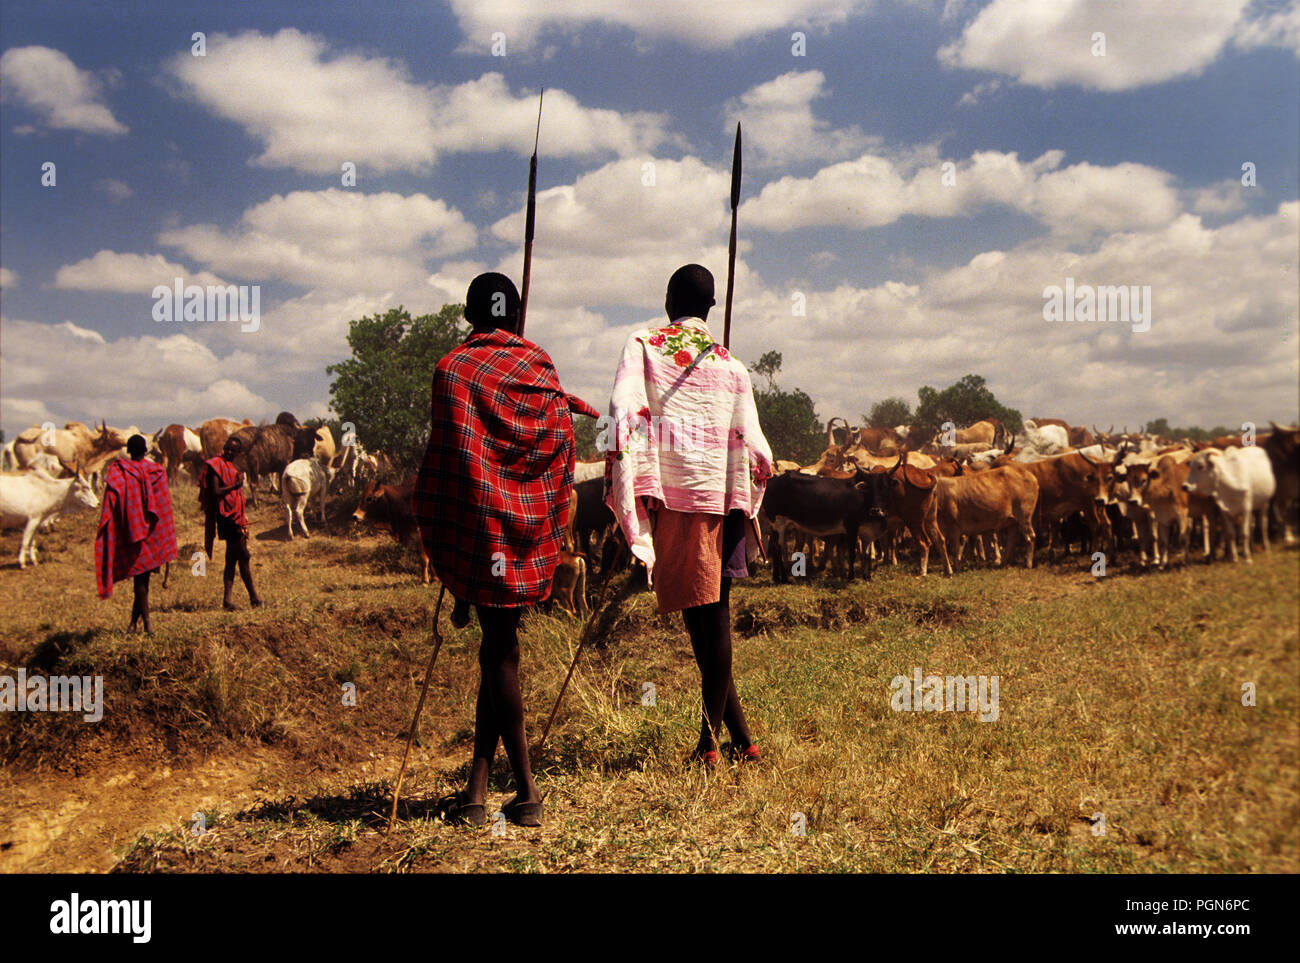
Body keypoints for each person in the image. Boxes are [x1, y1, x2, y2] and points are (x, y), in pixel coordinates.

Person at [413, 272, 580, 827]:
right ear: (513, 316)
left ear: (470, 315)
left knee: (499, 650)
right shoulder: (540, 364)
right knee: (497, 647)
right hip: (528, 529)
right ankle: (477, 792)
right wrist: (544, 511)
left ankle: (528, 794)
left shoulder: (451, 370)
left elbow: (444, 463)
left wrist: (449, 540)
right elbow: (560, 446)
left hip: (481, 530)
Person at [604, 264, 773, 765]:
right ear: (711, 307)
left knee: (710, 619)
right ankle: (743, 740)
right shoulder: (734, 367)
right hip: (723, 499)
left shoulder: (643, 345)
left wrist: (628, 467)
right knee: (705, 616)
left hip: (677, 499)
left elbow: (623, 407)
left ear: (668, 298)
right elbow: (757, 448)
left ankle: (707, 744)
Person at [95, 434, 178, 633]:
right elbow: (163, 506)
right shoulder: (157, 472)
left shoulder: (118, 472)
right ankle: (143, 624)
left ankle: (140, 624)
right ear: (146, 451)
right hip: (152, 534)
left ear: (129, 452)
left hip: (132, 532)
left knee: (141, 581)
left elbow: (110, 504)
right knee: (143, 581)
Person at [199, 435, 262, 610]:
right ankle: (254, 598)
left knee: (232, 559)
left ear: (237, 453)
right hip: (227, 518)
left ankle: (229, 600)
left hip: (235, 517)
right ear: (224, 446)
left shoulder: (229, 466)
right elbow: (216, 491)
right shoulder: (215, 465)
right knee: (243, 556)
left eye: (233, 451)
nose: (229, 452)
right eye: (227, 448)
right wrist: (235, 486)